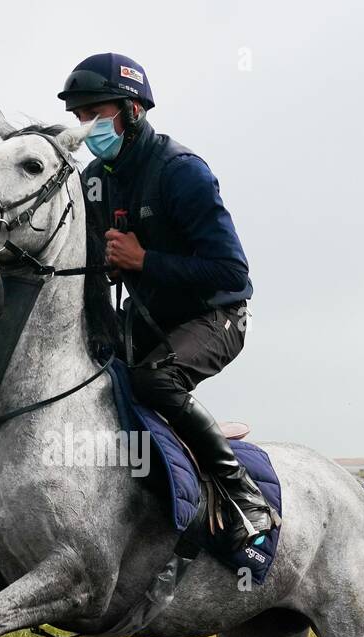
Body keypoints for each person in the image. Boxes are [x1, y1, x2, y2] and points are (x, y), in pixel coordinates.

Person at [57, 53, 274, 550]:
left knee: (155, 380)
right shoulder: (93, 180)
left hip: (215, 315)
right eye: (79, 116)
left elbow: (232, 272)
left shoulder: (182, 171)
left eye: (96, 113)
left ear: (133, 111)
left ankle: (244, 495)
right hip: (150, 321)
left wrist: (142, 260)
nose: (87, 126)